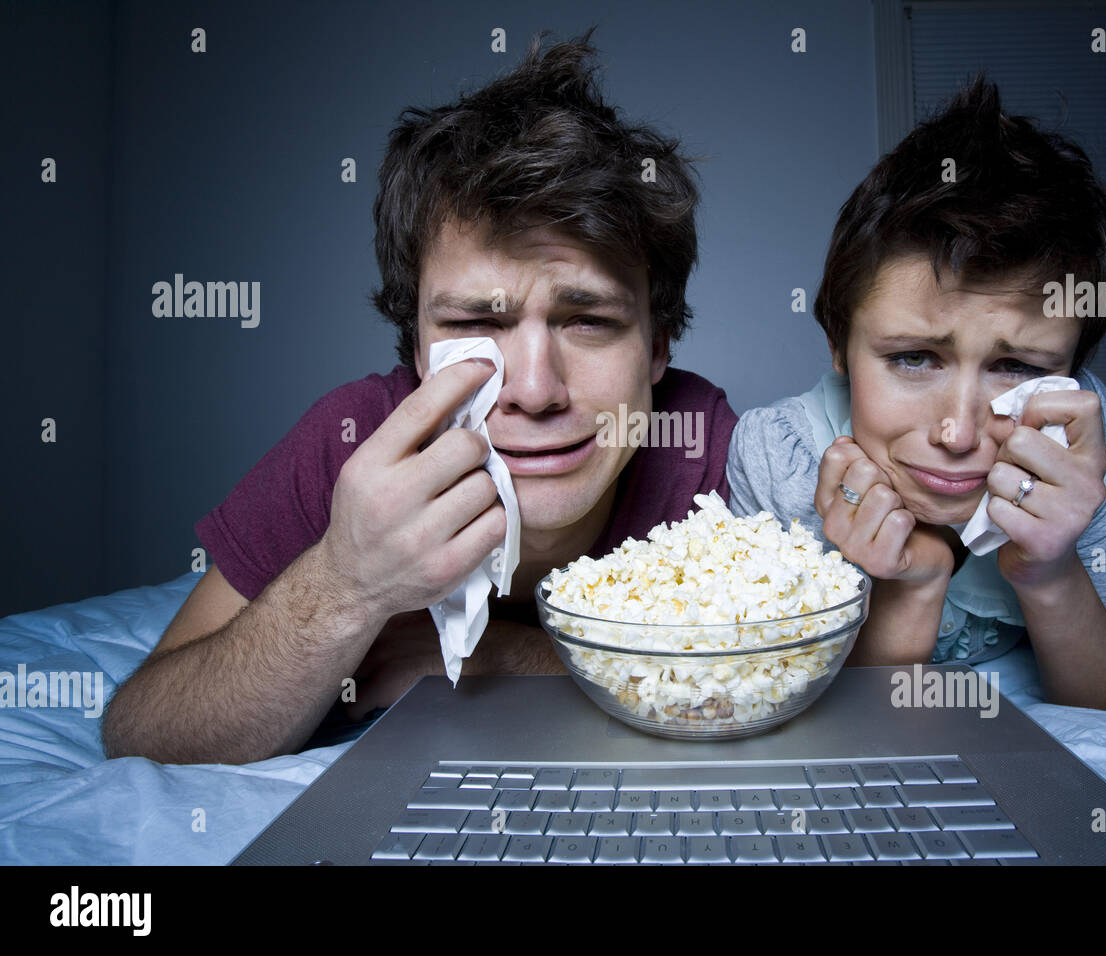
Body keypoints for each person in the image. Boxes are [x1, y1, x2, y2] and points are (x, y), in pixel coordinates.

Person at [103, 32, 738, 764]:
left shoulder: (700, 452)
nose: (534, 391)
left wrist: (499, 659)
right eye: (476, 324)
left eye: (588, 320)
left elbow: (800, 694)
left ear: (658, 345)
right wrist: (345, 584)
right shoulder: (352, 444)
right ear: (416, 348)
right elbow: (142, 732)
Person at [727, 77, 1106, 713]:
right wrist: (912, 589)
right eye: (912, 358)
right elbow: (787, 713)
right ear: (837, 344)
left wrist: (1048, 574)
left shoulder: (1081, 441)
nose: (959, 435)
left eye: (1016, 367)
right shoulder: (780, 456)